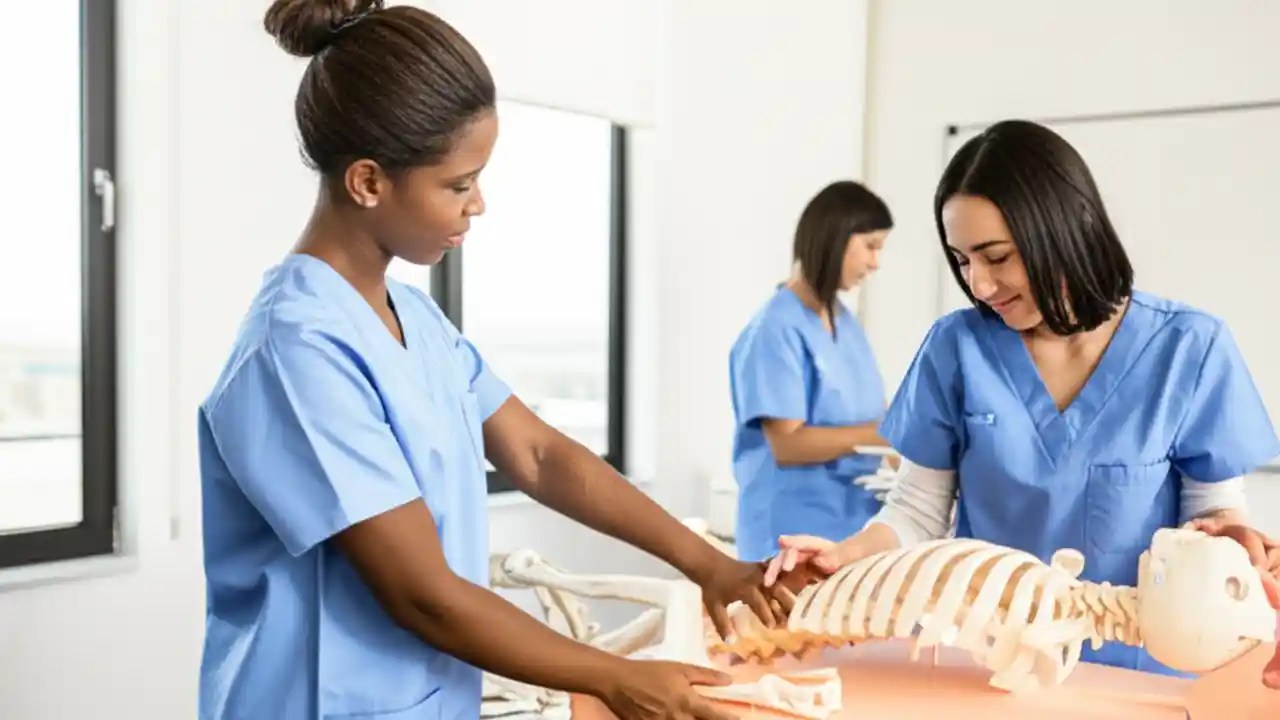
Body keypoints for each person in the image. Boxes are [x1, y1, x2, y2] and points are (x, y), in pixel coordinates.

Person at [196, 3, 785, 719]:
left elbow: (537, 454)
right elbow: (423, 595)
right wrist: (610, 676)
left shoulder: (411, 317)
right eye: (458, 184)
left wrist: (708, 564)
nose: (479, 204)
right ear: (368, 182)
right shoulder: (294, 351)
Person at [763, 119, 1280, 677]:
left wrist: (1226, 536)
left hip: (1138, 669)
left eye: (997, 257)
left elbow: (1211, 511)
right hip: (985, 665)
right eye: (963, 261)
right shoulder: (956, 348)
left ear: (1065, 228)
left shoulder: (1188, 347)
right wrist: (850, 555)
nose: (980, 285)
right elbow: (917, 509)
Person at [727, 180, 896, 563]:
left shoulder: (845, 323)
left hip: (852, 530)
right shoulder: (775, 329)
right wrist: (886, 435)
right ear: (835, 238)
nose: (875, 263)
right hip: (789, 537)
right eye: (870, 246)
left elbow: (881, 416)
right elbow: (789, 444)